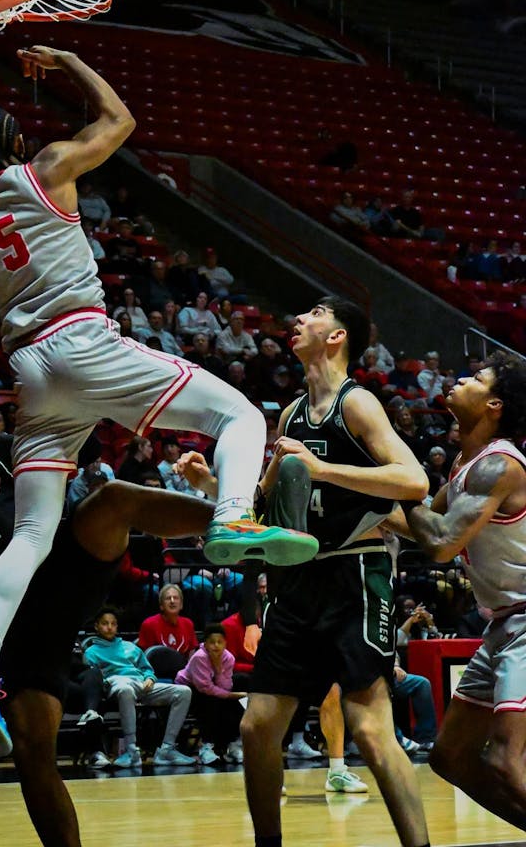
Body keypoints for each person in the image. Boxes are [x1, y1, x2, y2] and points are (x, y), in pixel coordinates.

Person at [0, 46, 316, 759]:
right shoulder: (43, 168)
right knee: (241, 416)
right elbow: (120, 119)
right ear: (13, 144)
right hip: (80, 339)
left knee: (33, 536)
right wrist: (70, 59)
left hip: (31, 370)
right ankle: (232, 518)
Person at [0, 392, 220, 845]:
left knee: (115, 497)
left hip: (62, 567)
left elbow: (80, 452)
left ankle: (234, 518)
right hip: (15, 623)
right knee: (32, 752)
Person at [181, 295, 431, 847]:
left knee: (369, 729)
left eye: (315, 313)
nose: (300, 319)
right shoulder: (291, 414)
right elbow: (264, 507)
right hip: (296, 583)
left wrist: (321, 468)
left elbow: (414, 482)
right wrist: (210, 488)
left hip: (352, 576)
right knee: (257, 726)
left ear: (337, 337)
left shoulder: (358, 404)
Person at [393, 352, 526, 832]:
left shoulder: (500, 466)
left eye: (476, 378)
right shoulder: (462, 466)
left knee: (504, 761)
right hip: (502, 624)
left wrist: (402, 484)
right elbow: (420, 526)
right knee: (450, 758)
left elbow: (443, 543)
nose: (460, 379)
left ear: (494, 405)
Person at [82, 606, 196, 768]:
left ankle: (166, 749)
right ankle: (131, 750)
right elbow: (93, 679)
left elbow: (146, 668)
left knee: (184, 692)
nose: (109, 627)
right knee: (126, 689)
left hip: (140, 684)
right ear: (97, 626)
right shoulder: (91, 652)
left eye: (113, 624)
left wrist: (150, 677)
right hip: (116, 683)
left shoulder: (130, 646)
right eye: (105, 623)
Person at [175, 623, 246, 764]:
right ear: (205, 644)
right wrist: (232, 695)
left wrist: (218, 667)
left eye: (220, 642)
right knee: (210, 700)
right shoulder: (199, 657)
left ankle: (232, 745)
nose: (216, 646)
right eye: (212, 642)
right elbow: (205, 688)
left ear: (225, 643)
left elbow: (225, 687)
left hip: (213, 689)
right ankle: (206, 747)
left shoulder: (228, 658)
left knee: (236, 697)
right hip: (189, 689)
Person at [137, 583, 198, 655]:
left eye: (175, 598)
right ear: (161, 606)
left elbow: (192, 653)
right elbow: (144, 657)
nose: (172, 601)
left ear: (181, 605)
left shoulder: (188, 624)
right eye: (168, 598)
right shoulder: (149, 624)